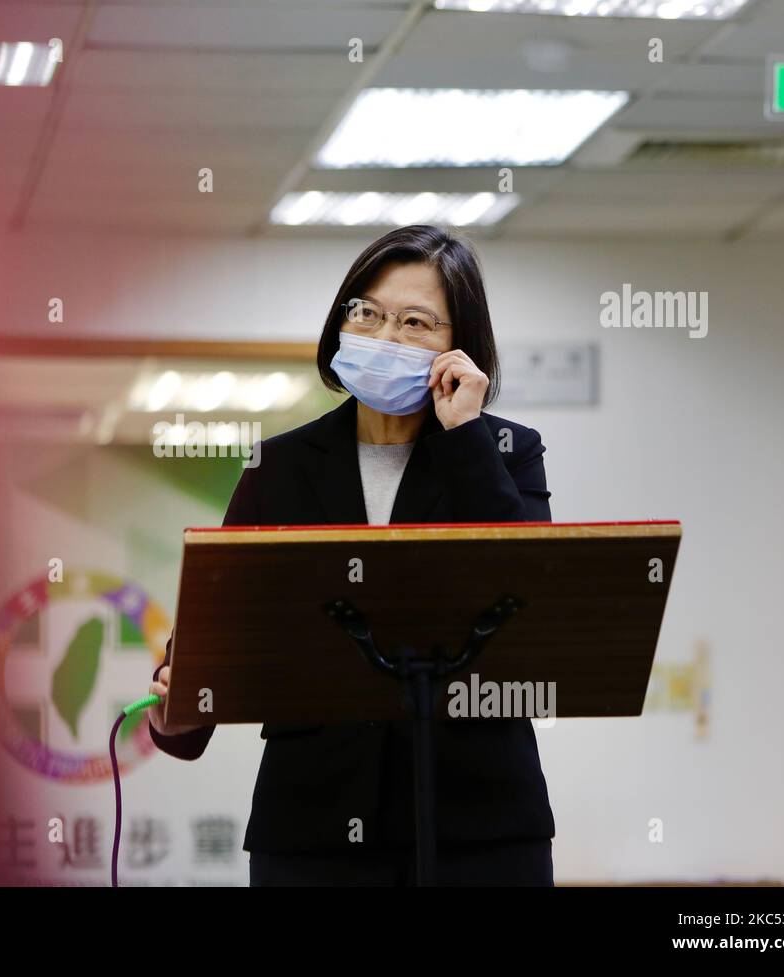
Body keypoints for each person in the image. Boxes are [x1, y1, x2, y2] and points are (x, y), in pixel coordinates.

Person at [147, 224, 555, 886]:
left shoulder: (506, 451)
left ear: (461, 348)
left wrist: (465, 439)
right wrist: (179, 712)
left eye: (416, 321)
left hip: (481, 827)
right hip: (313, 829)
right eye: (367, 313)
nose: (385, 337)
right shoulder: (277, 467)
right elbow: (214, 638)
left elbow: (528, 599)